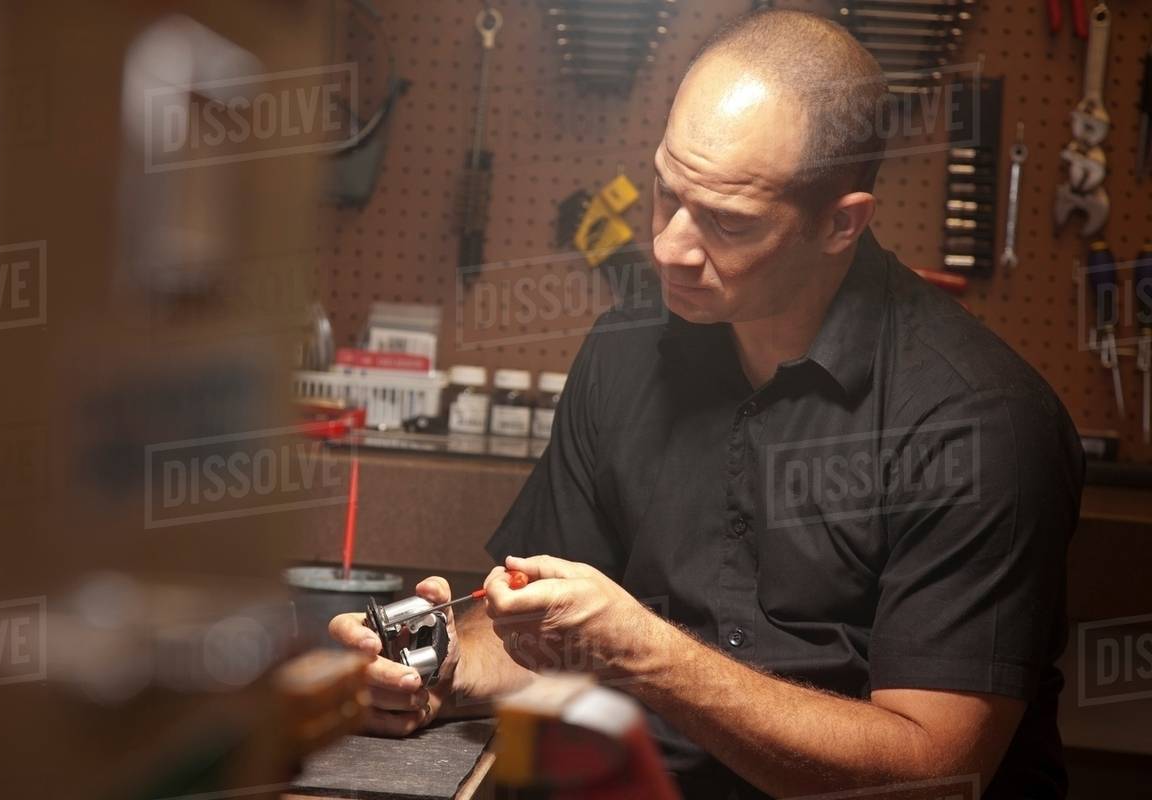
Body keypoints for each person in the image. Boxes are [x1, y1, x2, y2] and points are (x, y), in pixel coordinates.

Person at [331, 9, 1084, 798]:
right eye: (666, 193)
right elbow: (538, 632)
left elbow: (936, 774)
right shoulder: (627, 350)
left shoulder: (981, 425)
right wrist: (435, 668)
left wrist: (639, 649)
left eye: (726, 221)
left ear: (841, 223)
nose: (668, 247)